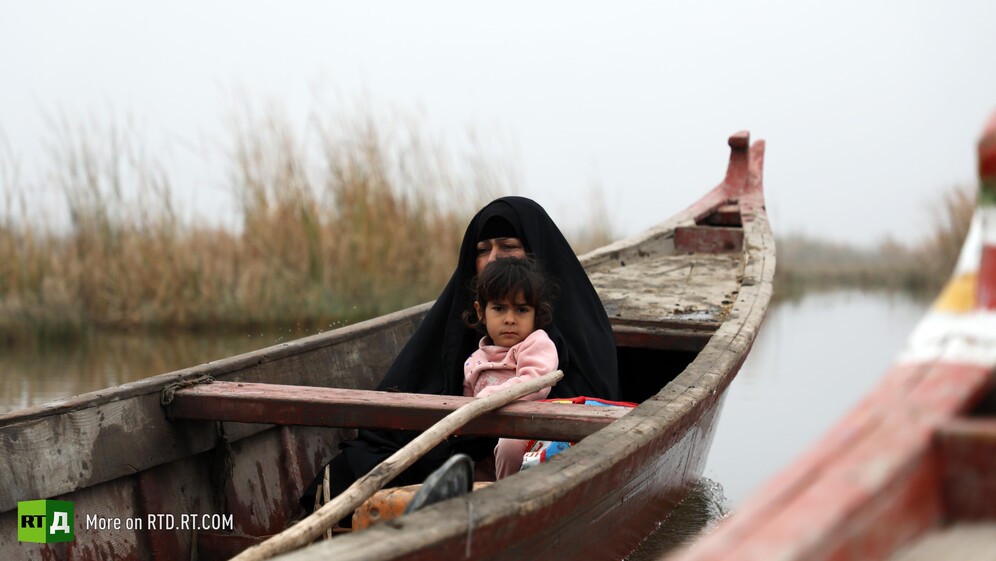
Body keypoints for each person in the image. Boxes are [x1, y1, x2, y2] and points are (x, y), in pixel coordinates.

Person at [305, 196, 619, 513]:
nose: (493, 258)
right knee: (349, 470)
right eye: (482, 250)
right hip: (460, 443)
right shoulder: (459, 321)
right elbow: (405, 404)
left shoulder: (567, 332)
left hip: (526, 450)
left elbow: (581, 409)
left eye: (508, 247)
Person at [462, 256, 559, 478]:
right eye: (499, 308)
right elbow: (466, 403)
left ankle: (506, 493)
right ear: (481, 312)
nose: (510, 319)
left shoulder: (536, 344)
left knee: (509, 444)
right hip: (485, 436)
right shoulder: (475, 359)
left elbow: (535, 383)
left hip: (524, 430)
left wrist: (488, 397)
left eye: (521, 310)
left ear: (536, 314)